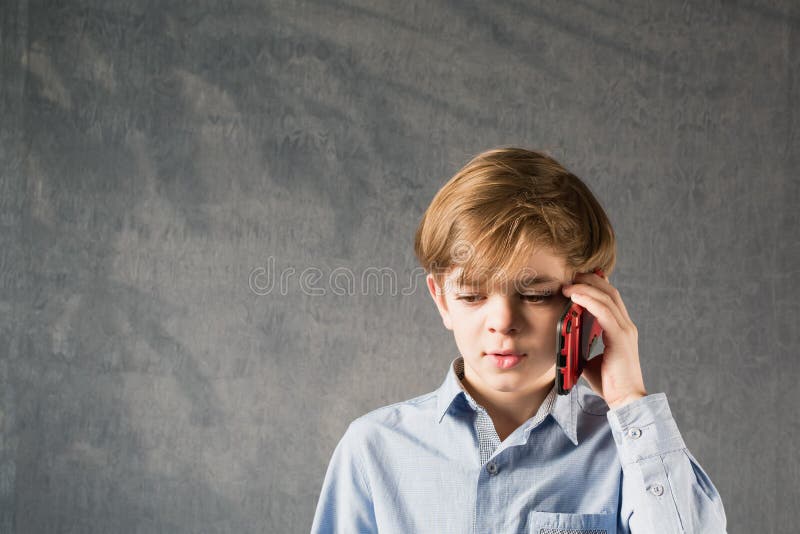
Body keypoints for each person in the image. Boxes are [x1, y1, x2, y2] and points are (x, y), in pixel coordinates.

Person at [310, 147, 727, 533]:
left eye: (537, 294)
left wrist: (630, 400)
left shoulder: (634, 452)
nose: (503, 322)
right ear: (442, 300)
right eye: (472, 295)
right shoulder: (373, 448)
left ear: (588, 299)